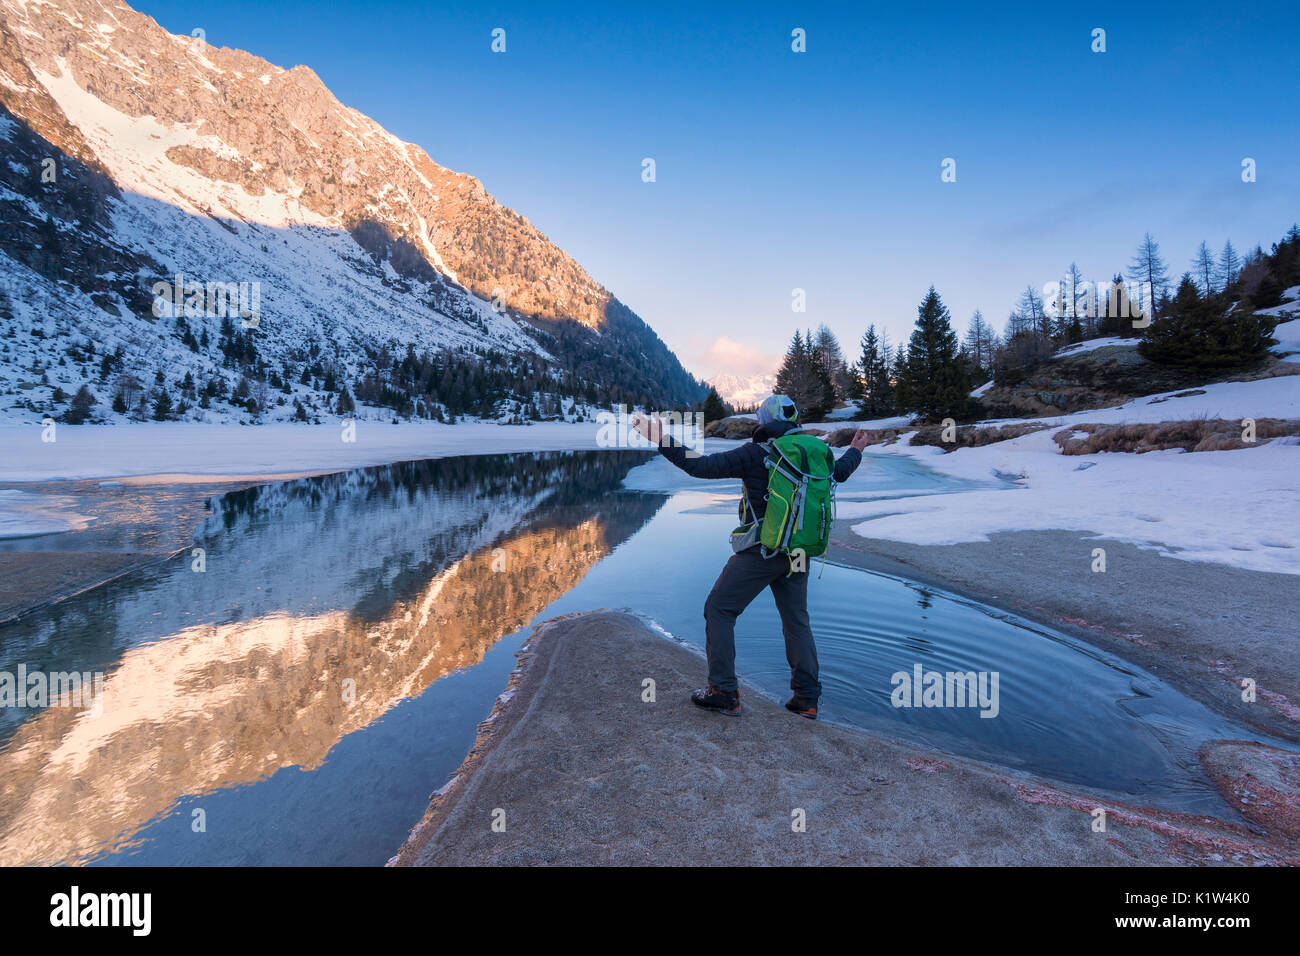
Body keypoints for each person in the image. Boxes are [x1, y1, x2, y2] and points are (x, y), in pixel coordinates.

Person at [632, 394, 871, 719]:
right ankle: (807, 699)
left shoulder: (756, 453)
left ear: (765, 421)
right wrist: (856, 449)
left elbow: (699, 466)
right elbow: (840, 472)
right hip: (799, 551)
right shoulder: (818, 451)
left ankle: (723, 692)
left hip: (764, 550)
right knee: (796, 622)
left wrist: (661, 439)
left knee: (719, 608)